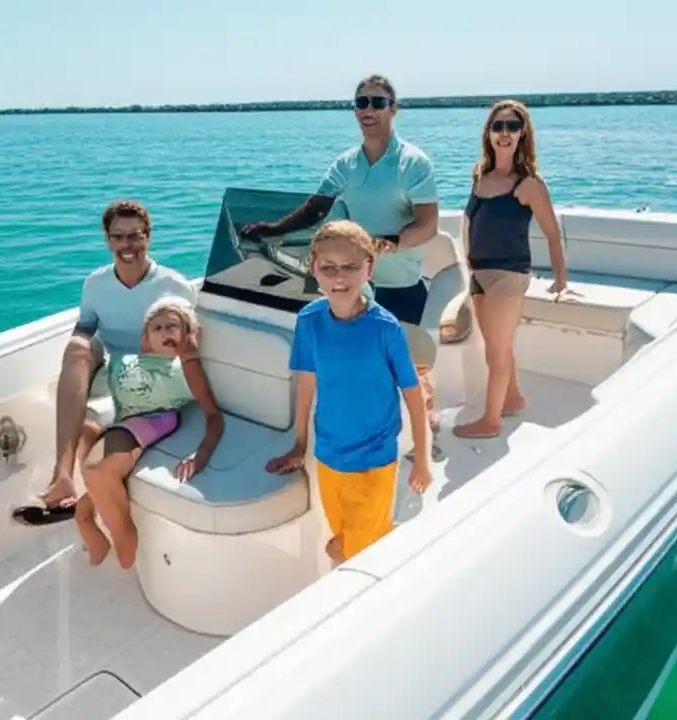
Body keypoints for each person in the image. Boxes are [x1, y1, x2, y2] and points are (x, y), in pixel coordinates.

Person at [239, 73, 441, 429]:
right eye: (361, 102)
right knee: (367, 365)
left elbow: (428, 224)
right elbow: (315, 208)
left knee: (411, 367)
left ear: (393, 110)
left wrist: (393, 243)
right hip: (357, 285)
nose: (369, 109)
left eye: (378, 103)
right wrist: (272, 230)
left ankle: (425, 426)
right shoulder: (345, 164)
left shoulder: (413, 162)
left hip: (401, 281)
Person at [17, 199, 198, 525]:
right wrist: (80, 344)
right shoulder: (95, 283)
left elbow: (189, 343)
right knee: (77, 350)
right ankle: (62, 478)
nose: (126, 245)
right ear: (107, 240)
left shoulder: (174, 285)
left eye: (135, 236)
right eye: (118, 237)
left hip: (154, 373)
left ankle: (83, 500)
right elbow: (86, 326)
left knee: (90, 427)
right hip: (115, 368)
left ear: (148, 237)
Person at [265, 220, 432, 565]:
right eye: (328, 267)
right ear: (314, 269)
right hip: (329, 456)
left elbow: (414, 397)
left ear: (369, 269)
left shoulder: (386, 329)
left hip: (376, 459)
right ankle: (381, 535)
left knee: (357, 554)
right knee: (343, 535)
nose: (339, 277)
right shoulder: (309, 321)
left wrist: (422, 461)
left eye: (351, 267)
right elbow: (306, 384)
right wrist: (300, 443)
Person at [74, 297, 224, 568]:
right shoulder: (123, 360)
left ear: (187, 335)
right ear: (145, 340)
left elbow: (213, 415)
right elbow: (92, 370)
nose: (166, 331)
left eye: (173, 327)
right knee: (84, 433)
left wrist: (200, 455)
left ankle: (124, 538)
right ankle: (84, 517)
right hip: (120, 417)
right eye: (158, 328)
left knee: (96, 470)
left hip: (153, 419)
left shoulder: (185, 366)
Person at [453, 100, 571, 439]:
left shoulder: (529, 184)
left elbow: (552, 234)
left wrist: (560, 280)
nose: (504, 133)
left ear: (522, 135)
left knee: (498, 350)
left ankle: (491, 421)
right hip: (478, 275)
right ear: (489, 133)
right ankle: (513, 397)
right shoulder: (479, 175)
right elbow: (471, 223)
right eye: (498, 126)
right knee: (493, 343)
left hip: (509, 274)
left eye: (512, 127)